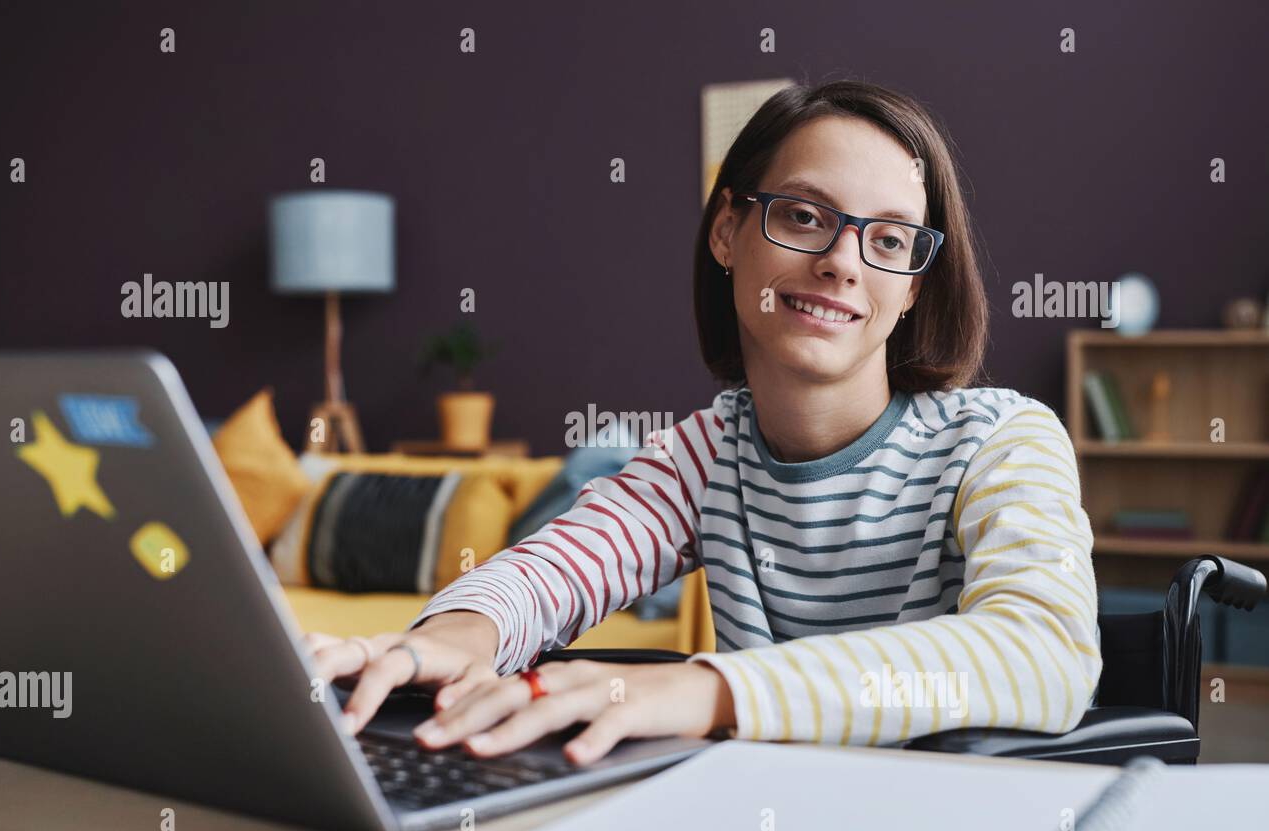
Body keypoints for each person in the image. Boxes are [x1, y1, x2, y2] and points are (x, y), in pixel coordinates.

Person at [304, 79, 1102, 766]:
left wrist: (708, 689)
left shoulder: (1003, 439)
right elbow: (552, 571)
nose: (844, 261)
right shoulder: (705, 456)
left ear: (914, 288)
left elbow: (1045, 654)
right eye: (801, 216)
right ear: (729, 230)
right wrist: (458, 635)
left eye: (889, 238)